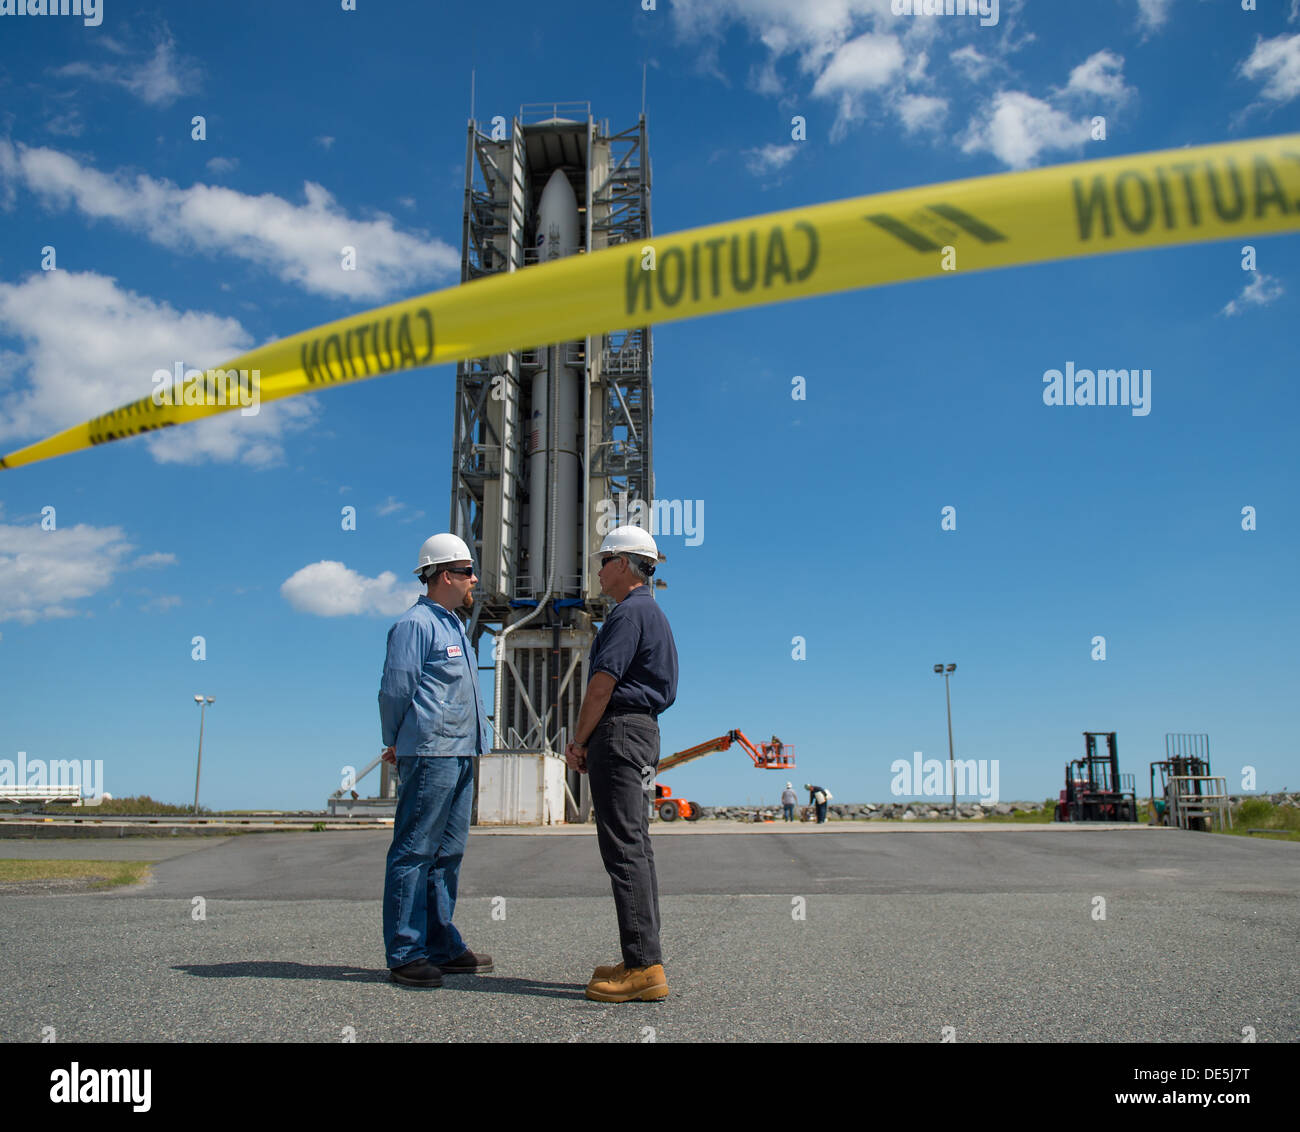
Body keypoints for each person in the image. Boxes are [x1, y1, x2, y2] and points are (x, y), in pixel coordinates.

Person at [565, 526, 678, 1003]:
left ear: (626, 565)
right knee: (637, 845)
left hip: (620, 732)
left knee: (624, 849)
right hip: (643, 732)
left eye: (604, 559)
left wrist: (579, 740)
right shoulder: (651, 612)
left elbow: (601, 685)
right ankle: (642, 958)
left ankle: (642, 968)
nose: (597, 569)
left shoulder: (628, 614)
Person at [379, 533, 493, 988]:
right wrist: (395, 739)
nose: (474, 580)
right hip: (430, 754)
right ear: (445, 575)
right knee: (414, 852)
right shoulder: (416, 625)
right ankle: (406, 953)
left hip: (462, 751)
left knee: (449, 853)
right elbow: (395, 690)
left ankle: (441, 945)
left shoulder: (455, 627)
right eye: (468, 572)